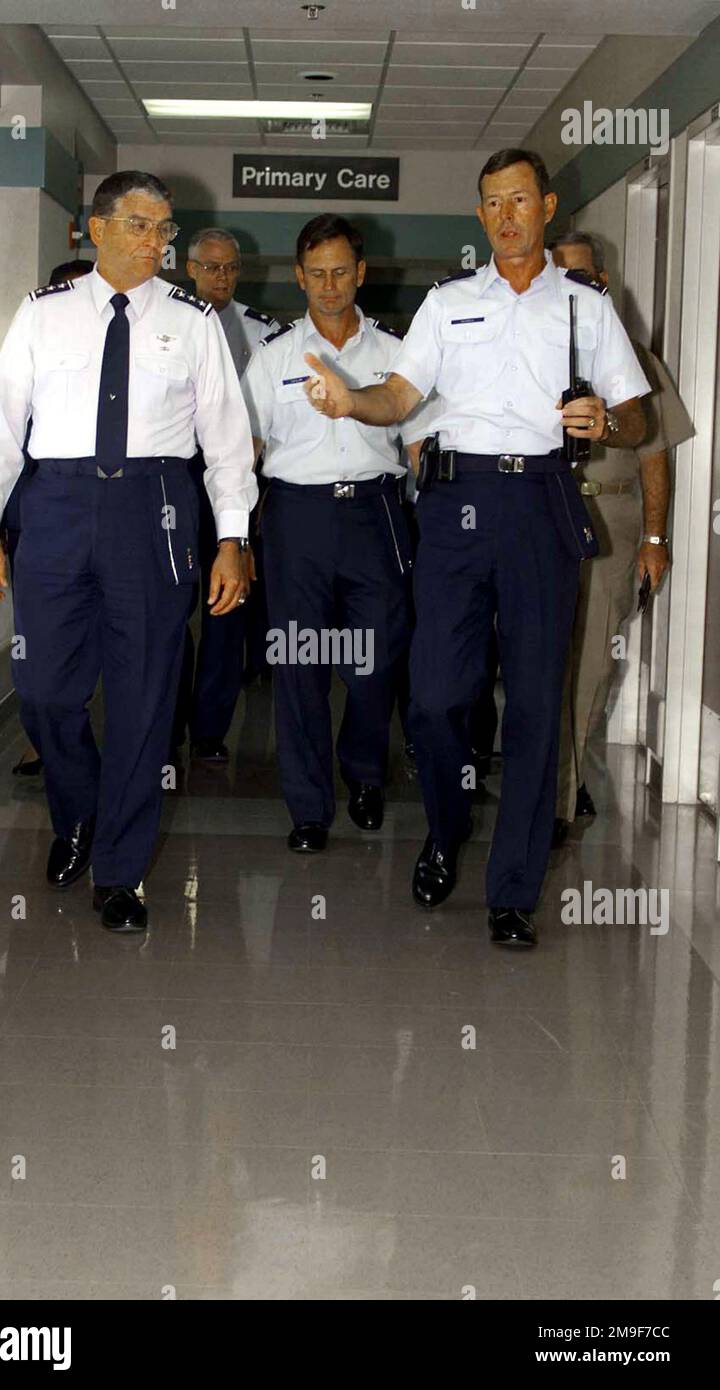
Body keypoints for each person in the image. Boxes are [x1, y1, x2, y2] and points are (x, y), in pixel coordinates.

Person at [302, 148, 650, 946]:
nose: (505, 216)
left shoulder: (586, 308)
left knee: (534, 703)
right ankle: (446, 828)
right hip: (457, 506)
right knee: (431, 696)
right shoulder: (447, 302)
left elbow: (637, 415)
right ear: (481, 215)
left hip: (541, 501)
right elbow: (401, 394)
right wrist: (351, 400)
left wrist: (606, 420)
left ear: (547, 207)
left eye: (519, 200)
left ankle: (512, 890)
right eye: (491, 203)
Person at [0, 170, 256, 934]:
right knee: (43, 691)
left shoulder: (195, 322)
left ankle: (121, 873)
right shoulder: (43, 315)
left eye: (165, 230)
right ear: (97, 230)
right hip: (56, 507)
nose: (155, 242)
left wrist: (233, 538)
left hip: (154, 509)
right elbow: (1, 423)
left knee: (143, 699)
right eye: (139, 225)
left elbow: (227, 441)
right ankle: (78, 813)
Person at [241, 213, 415, 853]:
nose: (330, 285)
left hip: (376, 515)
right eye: (317, 273)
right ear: (299, 276)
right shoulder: (273, 356)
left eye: (342, 271)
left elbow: (419, 443)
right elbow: (248, 448)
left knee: (374, 663)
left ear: (361, 273)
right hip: (297, 520)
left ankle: (365, 773)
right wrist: (233, 531)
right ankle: (309, 807)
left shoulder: (397, 355)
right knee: (299, 666)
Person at [549, 230, 694, 842]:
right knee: (538, 660)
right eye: (560, 278)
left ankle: (556, 801)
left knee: (588, 667)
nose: (571, 289)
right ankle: (553, 779)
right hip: (544, 519)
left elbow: (655, 454)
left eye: (581, 277)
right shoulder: (533, 351)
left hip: (609, 523)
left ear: (602, 283)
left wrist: (655, 540)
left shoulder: (633, 360)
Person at [172, 228, 280, 763]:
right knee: (168, 604)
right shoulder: (165, 320)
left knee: (226, 606)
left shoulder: (262, 333)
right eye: (211, 267)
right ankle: (166, 724)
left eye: (231, 268)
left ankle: (210, 729)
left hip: (237, 476)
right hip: (174, 475)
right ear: (190, 268)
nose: (221, 277)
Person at [2, 259, 95, 779]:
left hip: (113, 525)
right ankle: (43, 742)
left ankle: (158, 751)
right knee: (37, 647)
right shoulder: (33, 347)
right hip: (38, 524)